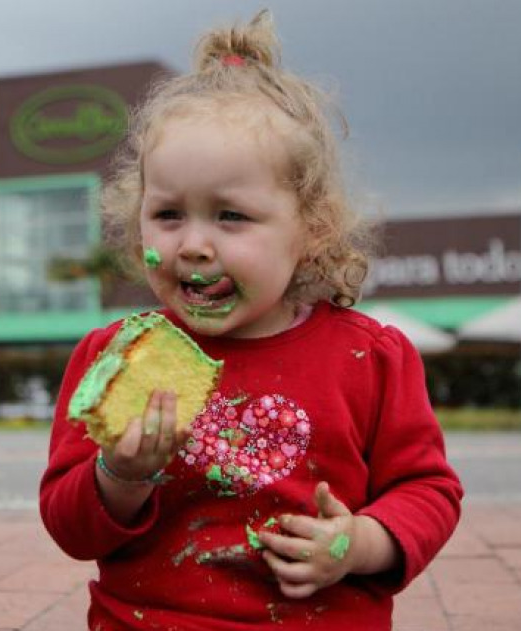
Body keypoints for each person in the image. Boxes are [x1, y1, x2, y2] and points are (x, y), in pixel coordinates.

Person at [40, 11, 462, 630]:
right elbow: (68, 525)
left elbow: (428, 492)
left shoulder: (370, 359)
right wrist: (118, 476)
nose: (194, 244)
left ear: (311, 228)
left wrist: (358, 543)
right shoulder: (115, 356)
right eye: (168, 214)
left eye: (231, 216)